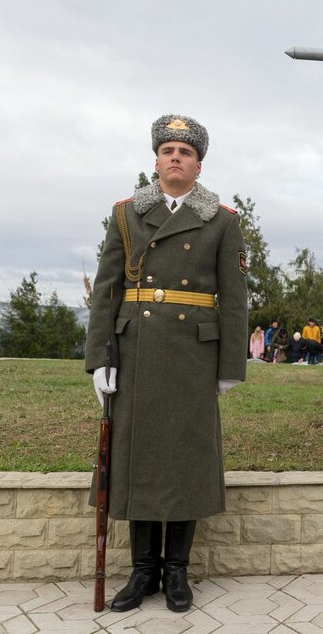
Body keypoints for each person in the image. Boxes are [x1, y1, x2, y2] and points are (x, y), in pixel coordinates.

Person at [86, 114, 248, 612]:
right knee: (139, 461)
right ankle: (142, 573)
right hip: (136, 350)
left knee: (183, 461)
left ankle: (177, 572)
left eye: (186, 152)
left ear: (199, 165)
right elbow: (107, 290)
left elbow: (235, 298)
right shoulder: (125, 214)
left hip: (192, 355)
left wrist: (229, 366)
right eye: (167, 151)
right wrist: (100, 359)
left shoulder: (222, 219)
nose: (175, 158)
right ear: (155, 160)